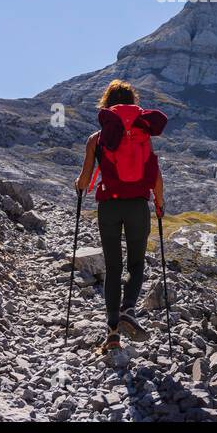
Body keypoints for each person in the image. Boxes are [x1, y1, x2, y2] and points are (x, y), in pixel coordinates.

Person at [75, 79, 168, 353]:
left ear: (107, 104)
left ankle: (113, 333)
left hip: (110, 207)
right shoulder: (143, 135)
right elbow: (155, 174)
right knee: (136, 264)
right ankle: (129, 309)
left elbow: (84, 180)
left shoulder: (97, 138)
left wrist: (79, 186)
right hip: (138, 206)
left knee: (113, 268)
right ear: (133, 104)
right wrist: (160, 204)